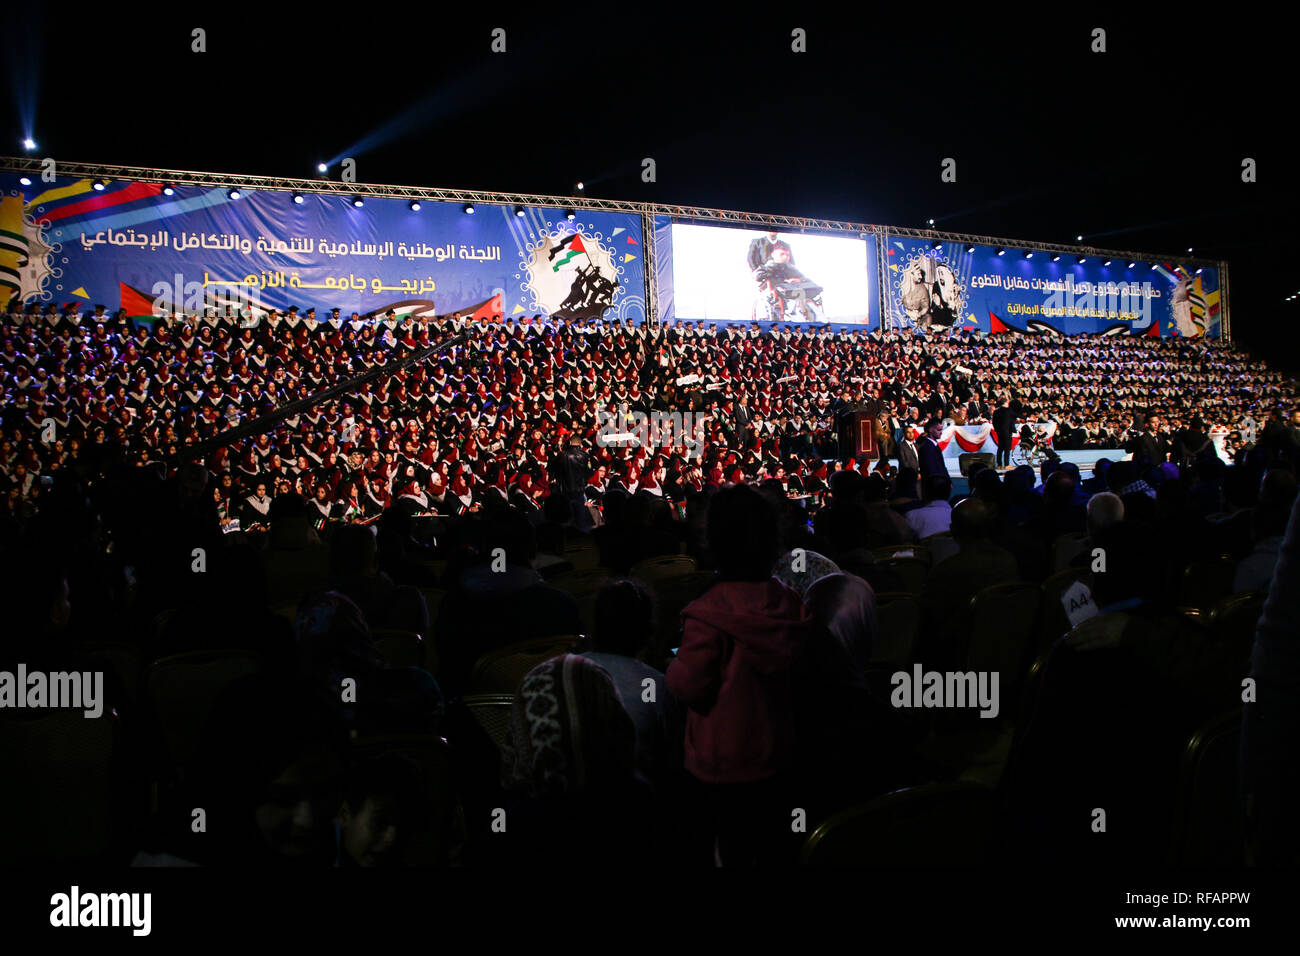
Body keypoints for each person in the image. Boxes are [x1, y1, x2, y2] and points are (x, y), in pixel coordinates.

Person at [666, 484, 810, 866]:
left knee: (730, 849)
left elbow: (688, 686)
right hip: (780, 751)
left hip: (721, 765)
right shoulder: (789, 601)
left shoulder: (708, 613)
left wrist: (671, 666)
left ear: (713, 541)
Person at [992, 394, 1015, 469]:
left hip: (999, 432)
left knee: (1000, 448)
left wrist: (997, 430)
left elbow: (994, 422)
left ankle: (999, 464)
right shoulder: (1008, 410)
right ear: (1005, 403)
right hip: (1007, 432)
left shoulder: (996, 411)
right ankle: (1006, 464)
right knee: (1007, 448)